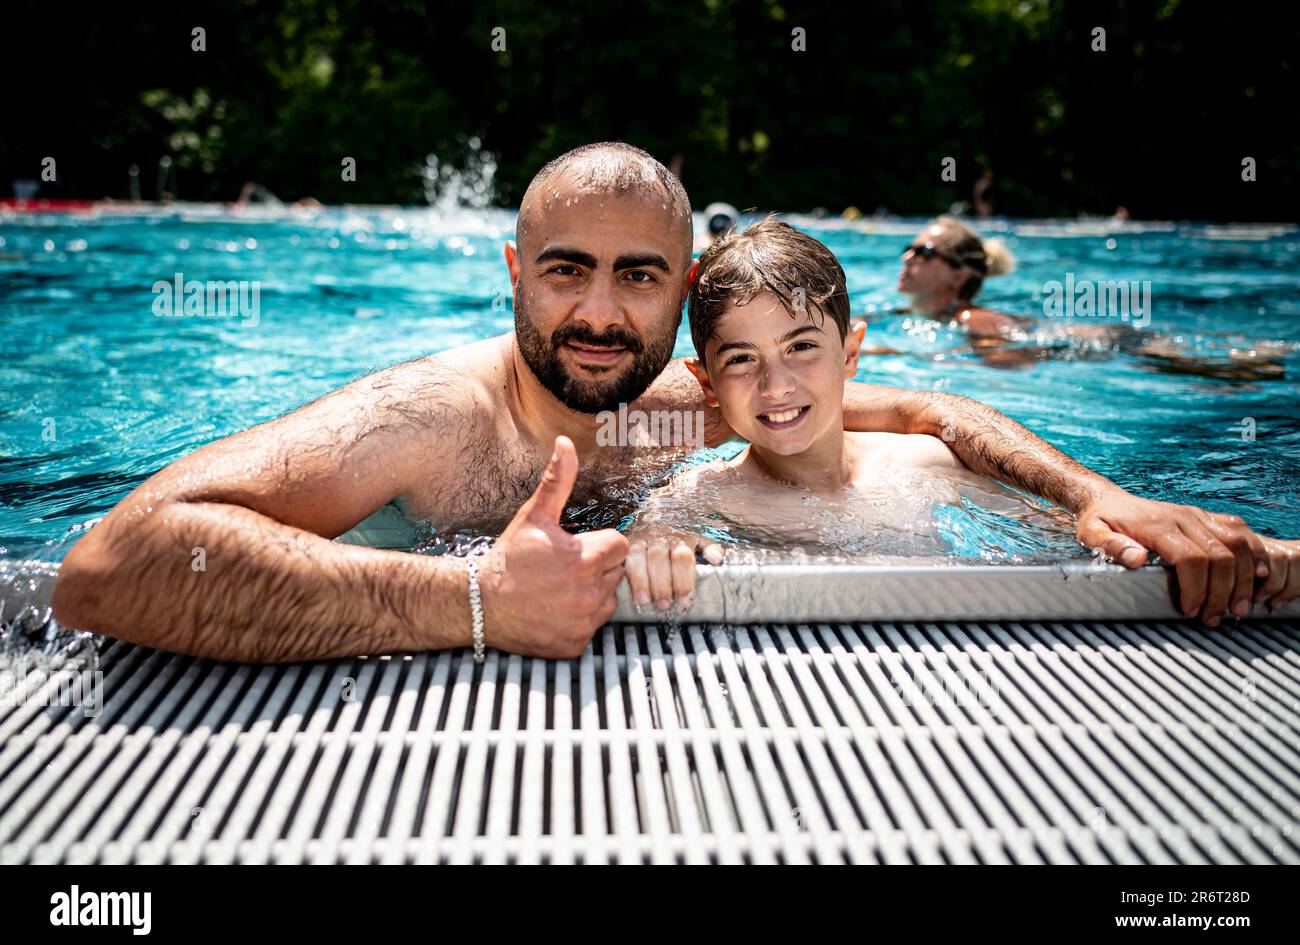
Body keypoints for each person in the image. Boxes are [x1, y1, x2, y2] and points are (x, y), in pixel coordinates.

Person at [51, 143, 1295, 664]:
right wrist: (473, 599)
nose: (598, 313)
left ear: (682, 291)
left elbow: (924, 415)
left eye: (637, 276)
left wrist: (1104, 498)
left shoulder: (699, 400)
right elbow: (108, 565)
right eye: (565, 271)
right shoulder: (439, 420)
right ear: (511, 276)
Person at [625, 219, 1300, 608]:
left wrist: (1256, 560)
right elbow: (651, 542)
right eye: (740, 359)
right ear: (705, 382)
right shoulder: (698, 495)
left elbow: (1086, 546)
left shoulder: (928, 463)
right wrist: (652, 542)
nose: (776, 385)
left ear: (852, 351)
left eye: (802, 346)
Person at [891, 216, 1288, 378]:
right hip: (1092, 341)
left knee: (1221, 368)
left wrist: (938, 357)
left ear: (958, 276)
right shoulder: (930, 317)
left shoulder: (973, 321)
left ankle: (1259, 360)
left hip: (1106, 343)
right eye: (909, 248)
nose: (908, 258)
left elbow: (1011, 364)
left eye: (924, 253)